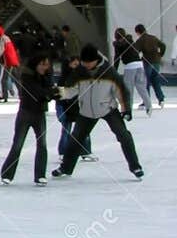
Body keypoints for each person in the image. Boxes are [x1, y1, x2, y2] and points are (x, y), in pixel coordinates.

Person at [53, 44, 143, 180]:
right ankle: (65, 168)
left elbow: (121, 90)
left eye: (89, 62)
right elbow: (70, 90)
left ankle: (135, 166)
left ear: (96, 60)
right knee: (75, 139)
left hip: (108, 109)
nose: (86, 65)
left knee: (124, 136)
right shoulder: (78, 72)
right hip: (86, 112)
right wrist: (59, 93)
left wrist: (126, 109)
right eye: (84, 62)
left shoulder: (109, 72)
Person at [0, 52, 56, 186]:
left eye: (47, 65)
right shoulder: (27, 76)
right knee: (18, 144)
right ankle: (7, 174)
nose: (45, 67)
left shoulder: (47, 76)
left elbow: (49, 91)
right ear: (36, 64)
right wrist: (50, 93)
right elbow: (37, 93)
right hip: (25, 113)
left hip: (40, 113)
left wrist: (52, 93)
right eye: (43, 64)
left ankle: (40, 175)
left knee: (42, 144)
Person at [114, 28, 151, 118]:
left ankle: (128, 111)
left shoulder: (118, 44)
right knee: (141, 87)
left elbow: (117, 57)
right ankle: (149, 107)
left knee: (128, 90)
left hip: (130, 67)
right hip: (139, 65)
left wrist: (114, 70)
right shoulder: (131, 40)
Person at [134, 24, 166, 108]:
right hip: (156, 62)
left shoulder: (141, 40)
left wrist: (139, 58)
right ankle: (161, 99)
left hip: (147, 63)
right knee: (156, 81)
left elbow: (134, 50)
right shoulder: (153, 38)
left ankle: (146, 101)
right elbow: (163, 46)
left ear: (137, 32)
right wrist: (160, 55)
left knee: (145, 82)